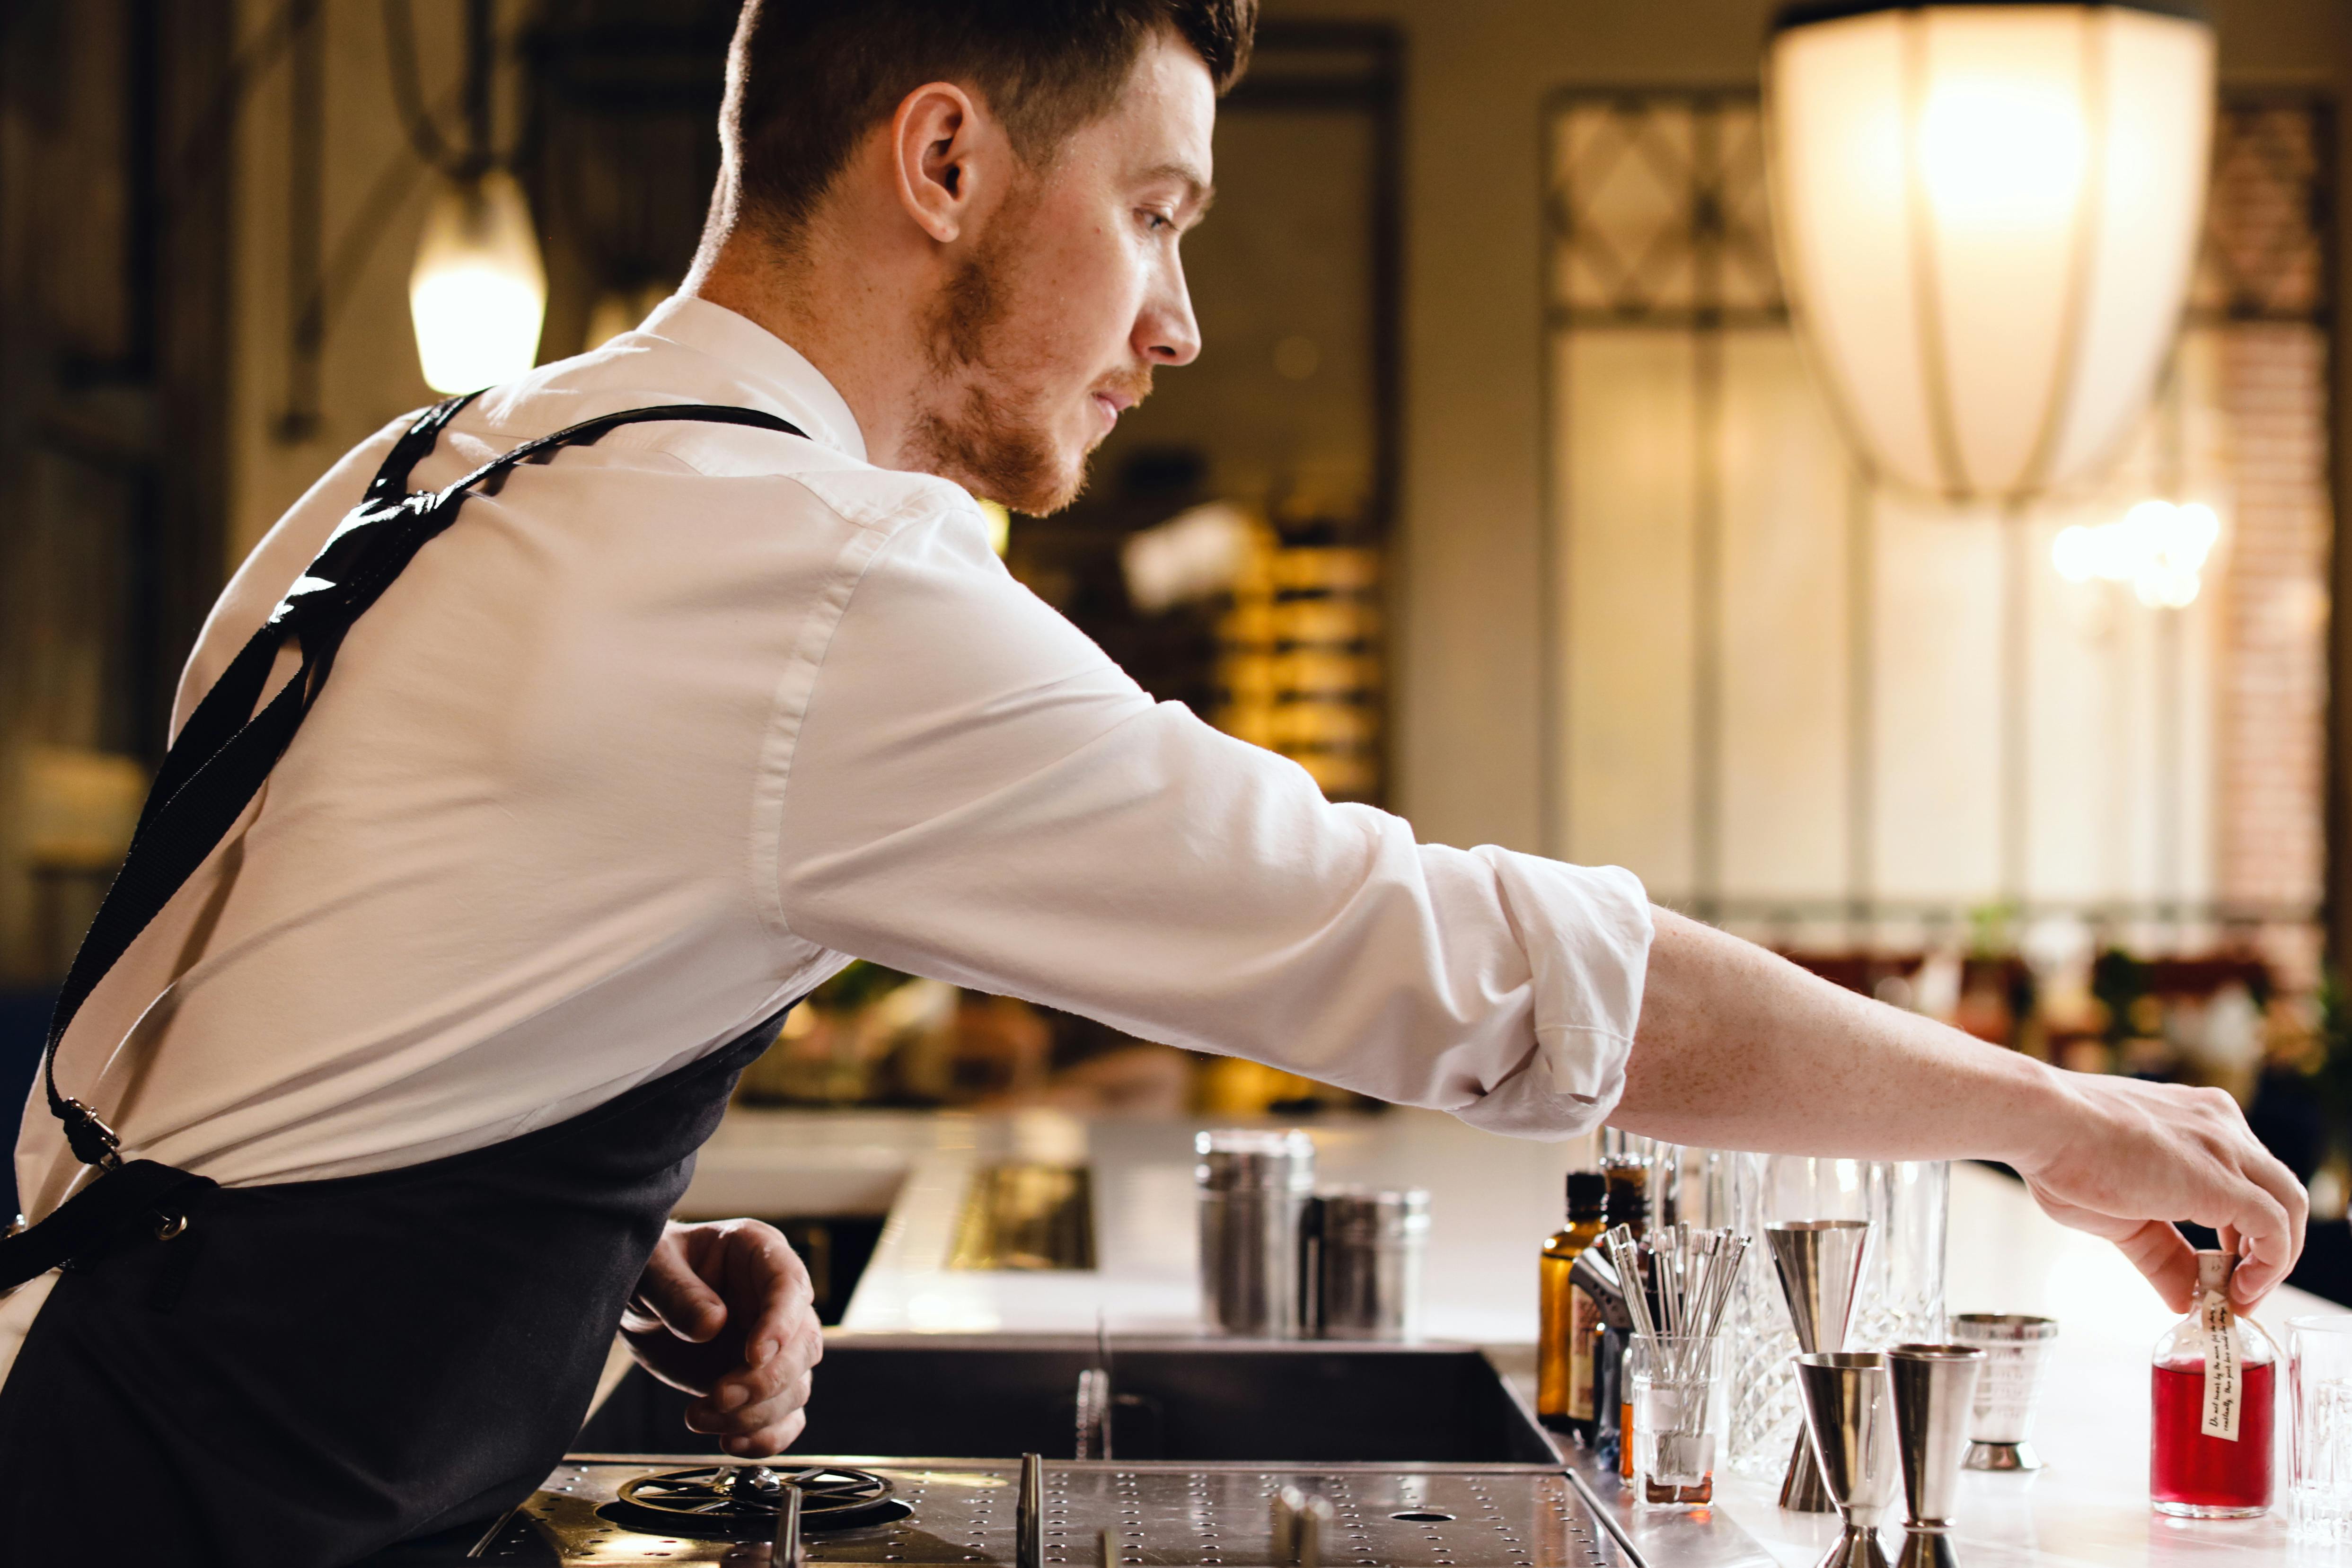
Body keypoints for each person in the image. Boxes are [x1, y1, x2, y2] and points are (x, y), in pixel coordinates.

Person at [0, 1, 2304, 1562]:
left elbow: (231, 1057)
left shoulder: (452, 455)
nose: (1180, 318)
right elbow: (1463, 971)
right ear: (943, 160)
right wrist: (2057, 1113)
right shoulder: (816, 577)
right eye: (1163, 208)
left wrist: (575, 1261)